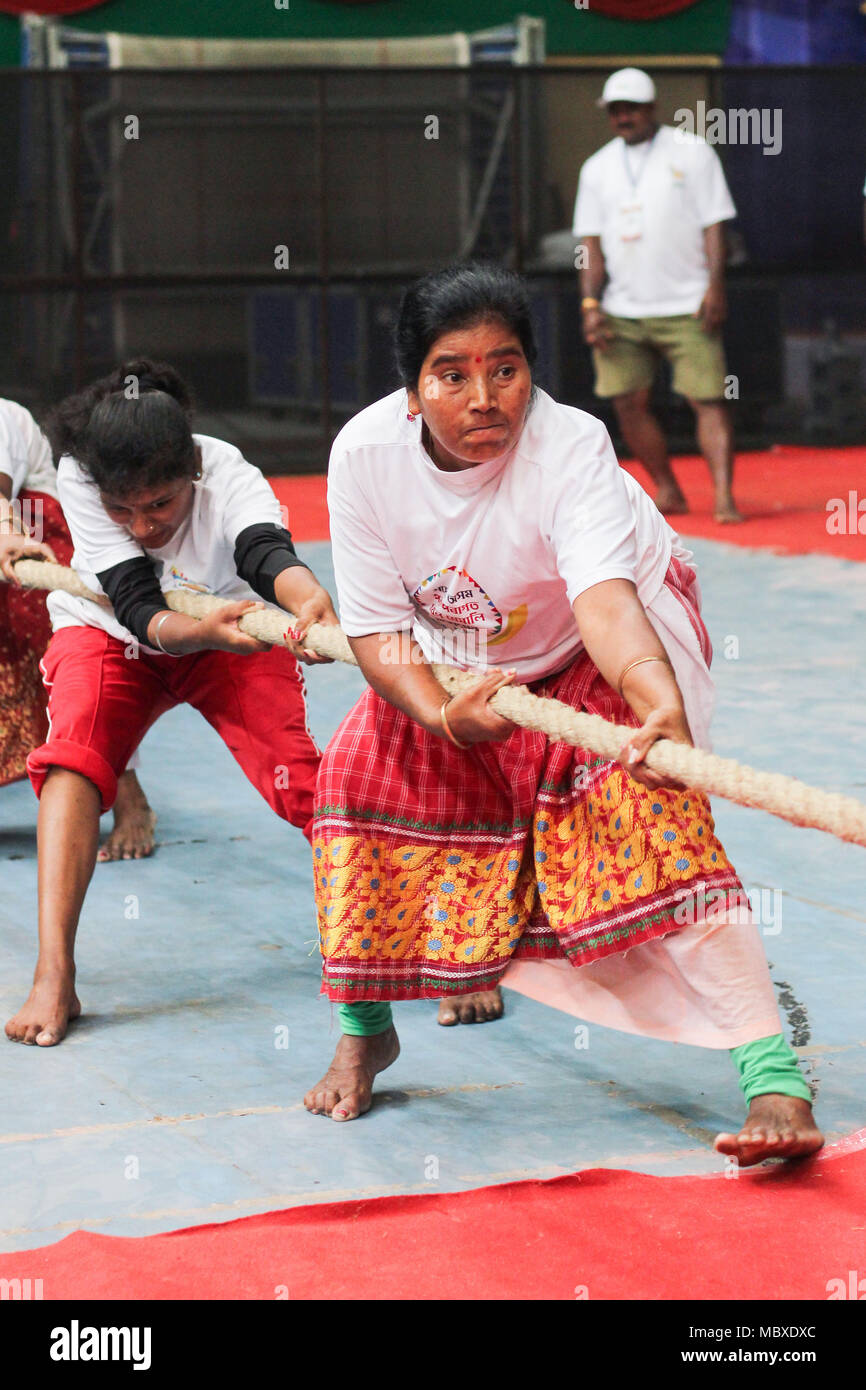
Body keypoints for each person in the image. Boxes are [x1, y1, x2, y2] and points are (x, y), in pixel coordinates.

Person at [303, 262, 823, 1168]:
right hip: (455, 667)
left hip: (602, 645)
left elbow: (606, 602)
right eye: (452, 373)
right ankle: (364, 1030)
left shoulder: (570, 446)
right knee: (352, 783)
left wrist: (653, 703)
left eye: (505, 368)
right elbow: (380, 632)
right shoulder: (363, 455)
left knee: (656, 821)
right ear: (412, 386)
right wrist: (440, 716)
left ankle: (773, 1073)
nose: (483, 397)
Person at [5, 360, 337, 1048]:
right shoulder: (79, 471)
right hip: (109, 629)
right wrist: (195, 631)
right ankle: (54, 971)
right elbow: (135, 602)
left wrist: (309, 607)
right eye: (123, 510)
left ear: (191, 473)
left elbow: (267, 554)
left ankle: (439, 944)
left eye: (159, 505)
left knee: (299, 781)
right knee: (70, 765)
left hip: (231, 631)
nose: (143, 526)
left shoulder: (230, 474)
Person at [573, 68, 742, 524]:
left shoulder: (693, 152)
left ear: (652, 108)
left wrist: (715, 285)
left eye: (631, 108)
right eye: (615, 110)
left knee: (708, 399)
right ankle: (667, 487)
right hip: (622, 309)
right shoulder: (596, 168)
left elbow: (714, 225)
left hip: (687, 302)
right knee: (627, 402)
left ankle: (724, 496)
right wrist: (590, 304)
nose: (623, 117)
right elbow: (589, 246)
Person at [0, 396, 155, 860]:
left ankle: (131, 803)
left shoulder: (2, 416)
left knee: (72, 673)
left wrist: (8, 535)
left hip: (32, 558)